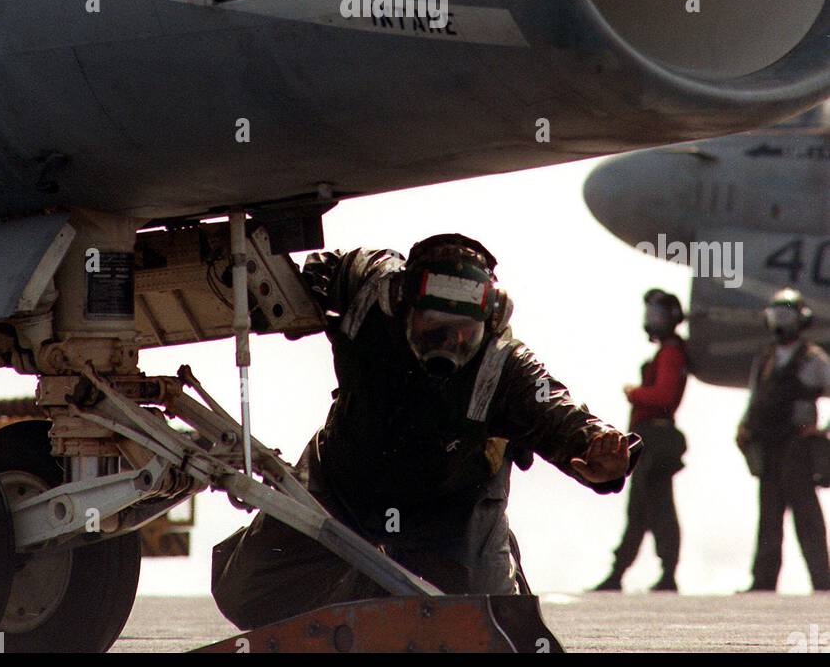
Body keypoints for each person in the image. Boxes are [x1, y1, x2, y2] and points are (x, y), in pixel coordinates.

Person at [212, 233, 640, 630]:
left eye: (464, 332)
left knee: (482, 627)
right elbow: (313, 271)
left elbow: (559, 412)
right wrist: (275, 299)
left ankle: (459, 566)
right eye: (434, 327)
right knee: (246, 594)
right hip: (344, 482)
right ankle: (367, 582)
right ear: (404, 305)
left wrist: (597, 450)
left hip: (450, 510)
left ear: (488, 321)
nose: (448, 343)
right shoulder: (371, 285)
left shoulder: (505, 366)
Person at [594, 289, 688, 592]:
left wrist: (634, 392)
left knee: (643, 507)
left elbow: (664, 396)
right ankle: (657, 572)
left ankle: (621, 573)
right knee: (656, 507)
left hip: (654, 439)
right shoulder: (671, 351)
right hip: (656, 439)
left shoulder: (671, 353)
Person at [736, 288, 830, 592]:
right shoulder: (766, 358)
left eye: (787, 316)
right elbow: (755, 397)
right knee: (769, 519)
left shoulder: (813, 359)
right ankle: (762, 582)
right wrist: (744, 427)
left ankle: (823, 582)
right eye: (777, 315)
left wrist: (822, 431)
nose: (781, 322)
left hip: (797, 448)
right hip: (768, 446)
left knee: (807, 518)